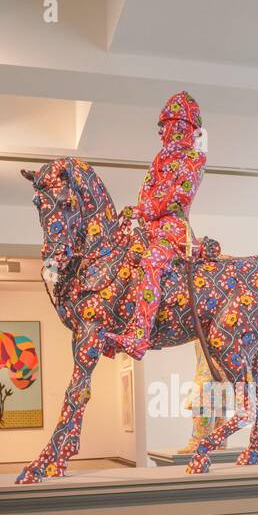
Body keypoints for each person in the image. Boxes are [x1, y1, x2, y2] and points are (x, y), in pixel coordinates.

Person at [107, 91, 207, 358]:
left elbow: (178, 197)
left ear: (181, 127)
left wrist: (144, 209)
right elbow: (146, 192)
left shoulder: (194, 159)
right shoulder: (159, 160)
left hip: (173, 232)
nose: (163, 132)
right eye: (163, 127)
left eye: (168, 126)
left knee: (152, 261)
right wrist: (139, 210)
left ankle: (139, 338)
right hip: (148, 228)